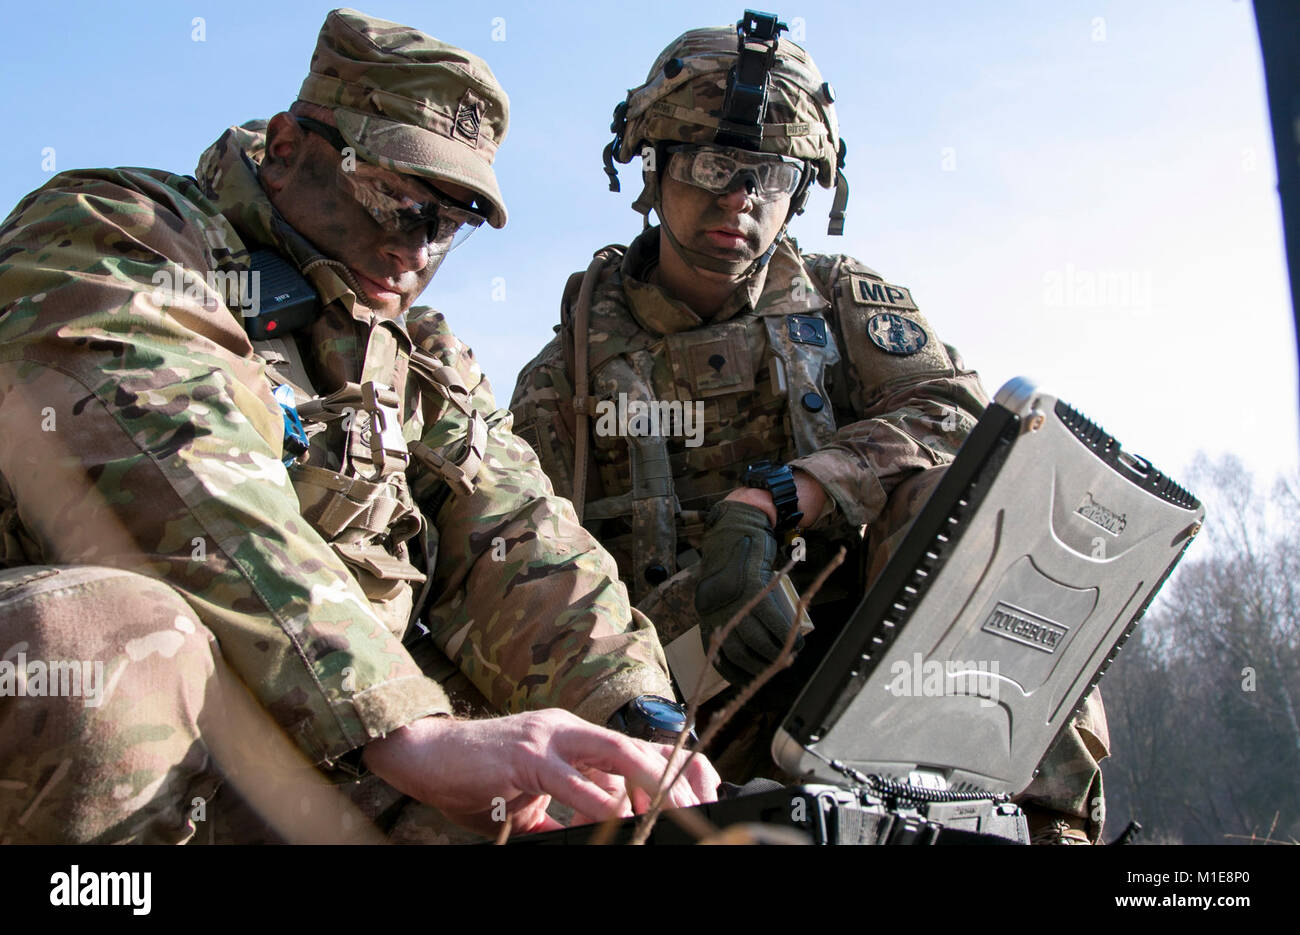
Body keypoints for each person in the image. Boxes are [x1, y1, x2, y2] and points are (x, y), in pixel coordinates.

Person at [0, 7, 717, 845]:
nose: (417, 249)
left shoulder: (416, 356)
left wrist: (639, 717)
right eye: (395, 198)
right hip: (161, 736)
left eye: (446, 226)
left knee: (561, 794)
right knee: (106, 643)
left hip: (323, 734)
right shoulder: (117, 232)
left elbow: (518, 534)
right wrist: (403, 723)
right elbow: (177, 464)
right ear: (288, 146)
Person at [510, 11, 1108, 844]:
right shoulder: (563, 380)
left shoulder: (839, 302)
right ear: (653, 167)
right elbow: (527, 574)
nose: (741, 198)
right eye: (716, 163)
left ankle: (1043, 824)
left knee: (967, 499)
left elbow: (960, 419)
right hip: (683, 703)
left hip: (870, 662)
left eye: (773, 174)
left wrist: (789, 494)